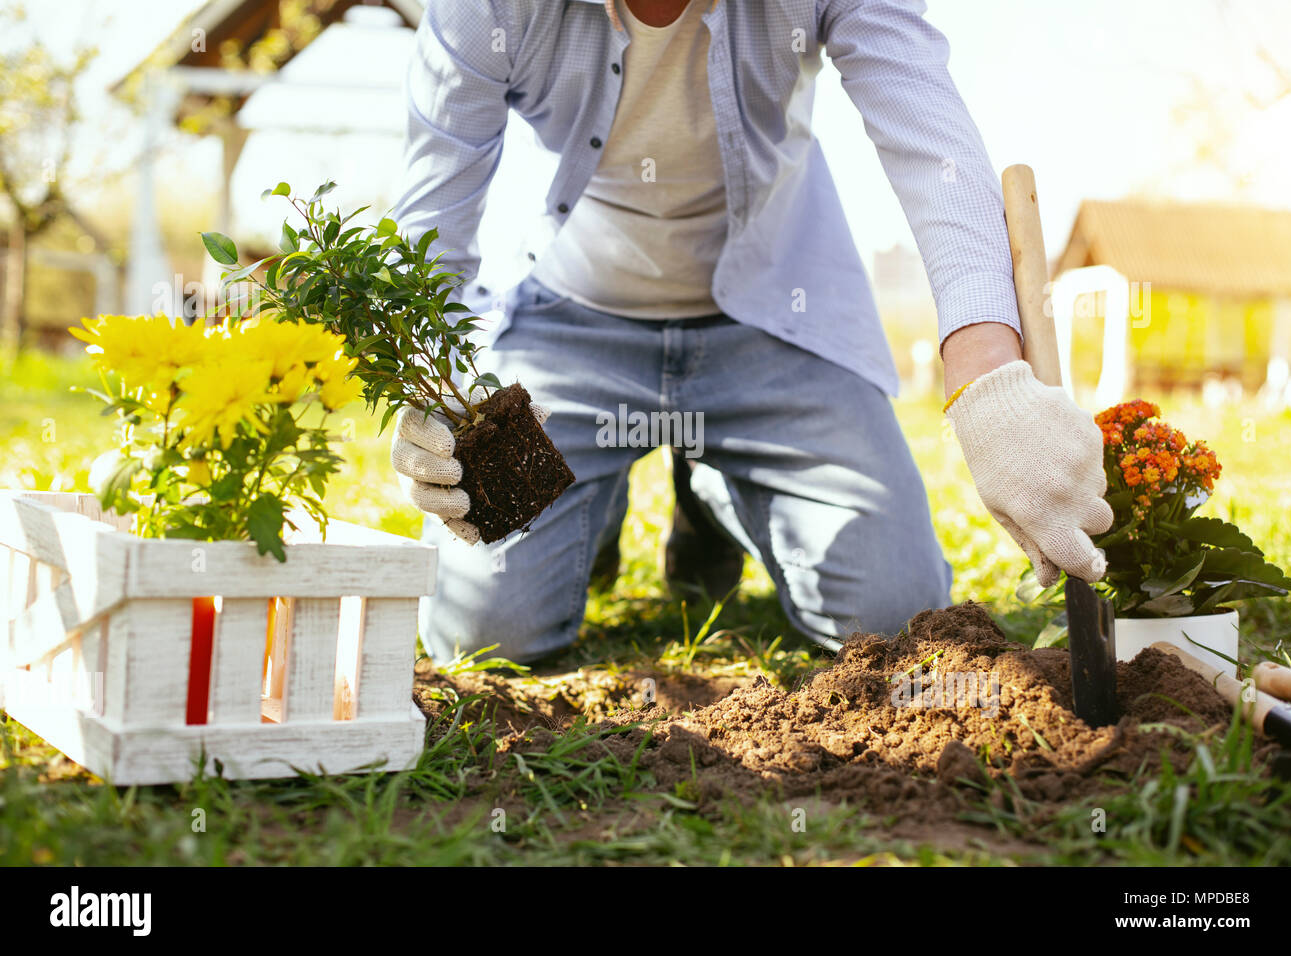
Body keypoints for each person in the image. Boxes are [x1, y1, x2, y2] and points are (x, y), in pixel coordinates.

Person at [391, 0, 1112, 664]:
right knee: (478, 632)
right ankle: (590, 492)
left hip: (771, 324)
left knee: (893, 614)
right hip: (572, 325)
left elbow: (926, 133)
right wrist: (432, 391)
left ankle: (709, 484)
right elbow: (431, 234)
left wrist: (987, 369)